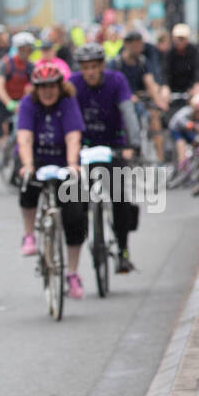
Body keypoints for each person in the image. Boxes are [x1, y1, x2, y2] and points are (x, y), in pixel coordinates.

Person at [70, 42, 143, 273]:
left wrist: (134, 143)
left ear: (102, 66)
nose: (90, 72)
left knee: (120, 197)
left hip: (113, 145)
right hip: (83, 146)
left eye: (94, 66)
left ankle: (122, 250)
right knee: (75, 197)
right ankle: (80, 242)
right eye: (85, 67)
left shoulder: (116, 80)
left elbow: (128, 111)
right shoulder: (73, 84)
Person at [16, 59, 85, 297]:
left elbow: (73, 136)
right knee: (27, 186)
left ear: (60, 86)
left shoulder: (68, 102)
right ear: (35, 88)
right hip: (36, 160)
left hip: (64, 161)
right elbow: (24, 137)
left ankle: (72, 273)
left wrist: (73, 165)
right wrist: (27, 165)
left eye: (52, 86)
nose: (47, 91)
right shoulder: (28, 103)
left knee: (75, 215)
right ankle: (29, 235)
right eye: (42, 86)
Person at [109, 30, 167, 160]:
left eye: (140, 45)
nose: (139, 48)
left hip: (139, 101)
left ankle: (160, 158)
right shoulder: (116, 63)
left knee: (154, 117)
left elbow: (149, 81)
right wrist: (127, 96)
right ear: (127, 45)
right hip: (121, 103)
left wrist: (158, 100)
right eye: (135, 45)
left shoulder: (142, 62)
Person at [0, 32, 35, 179]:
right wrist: (9, 104)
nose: (26, 53)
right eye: (23, 49)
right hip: (2, 103)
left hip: (20, 104)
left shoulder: (30, 67)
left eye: (28, 49)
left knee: (20, 136)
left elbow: (33, 88)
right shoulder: (5, 64)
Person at [167, 92, 199, 167]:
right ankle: (182, 167)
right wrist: (190, 125)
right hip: (177, 130)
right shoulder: (187, 111)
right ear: (195, 109)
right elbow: (179, 119)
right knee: (181, 146)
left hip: (187, 131)